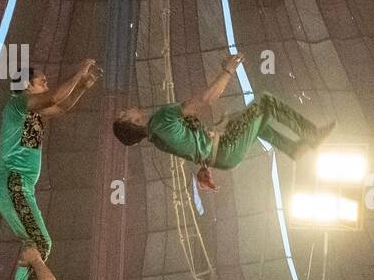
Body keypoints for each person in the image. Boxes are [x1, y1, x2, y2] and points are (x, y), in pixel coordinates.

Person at [112, 52, 334, 193]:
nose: (124, 110)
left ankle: (293, 148)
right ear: (132, 122)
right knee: (266, 102)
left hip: (222, 156)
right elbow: (205, 100)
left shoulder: (157, 138)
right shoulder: (161, 119)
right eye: (123, 115)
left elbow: (192, 144)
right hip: (226, 147)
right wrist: (228, 70)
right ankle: (310, 133)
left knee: (252, 123)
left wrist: (203, 168)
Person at [0, 59, 99, 280]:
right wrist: (77, 74)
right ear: (27, 85)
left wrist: (82, 87)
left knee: (35, 243)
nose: (46, 84)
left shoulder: (32, 111)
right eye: (42, 81)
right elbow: (53, 99)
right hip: (13, 182)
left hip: (20, 186)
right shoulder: (18, 104)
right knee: (41, 242)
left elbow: (60, 108)